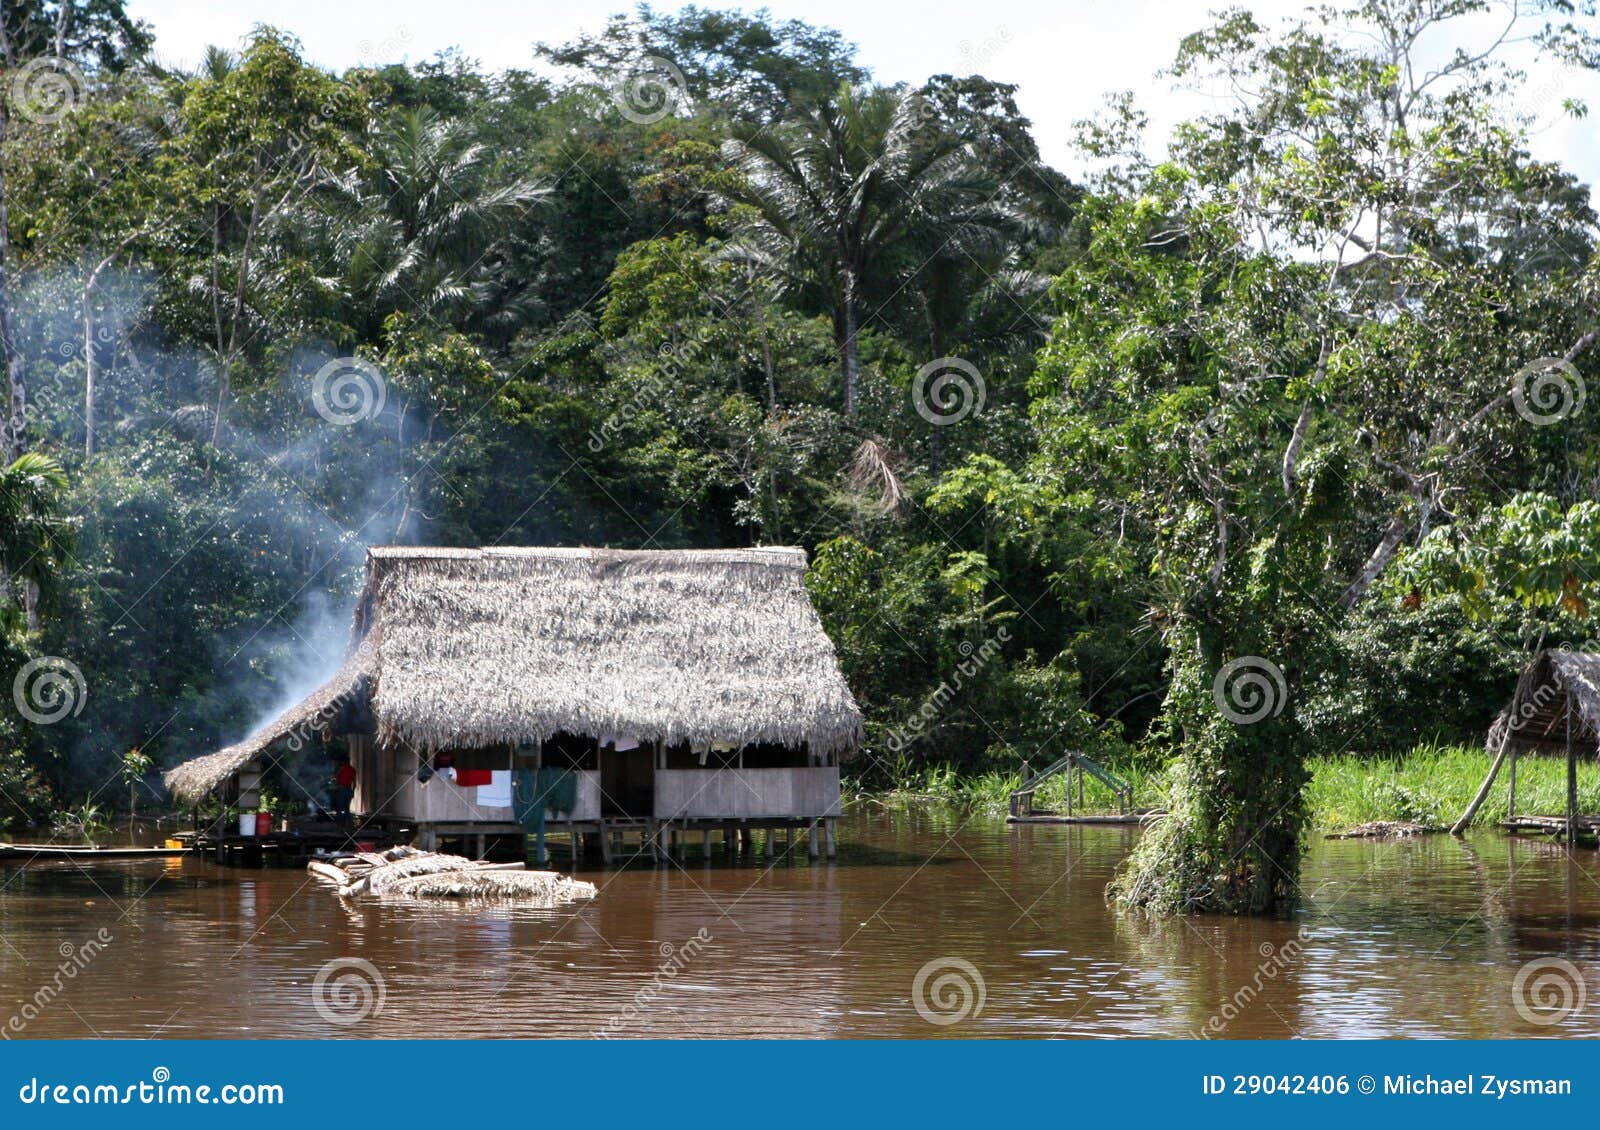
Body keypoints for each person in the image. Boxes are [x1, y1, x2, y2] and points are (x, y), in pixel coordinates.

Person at [331, 759, 357, 824]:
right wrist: (353, 791)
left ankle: (339, 822)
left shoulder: (342, 768)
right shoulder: (353, 770)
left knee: (339, 807)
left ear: (343, 762)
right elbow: (355, 782)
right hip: (349, 790)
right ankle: (348, 823)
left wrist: (336, 784)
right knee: (347, 808)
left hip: (342, 789)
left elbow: (335, 776)